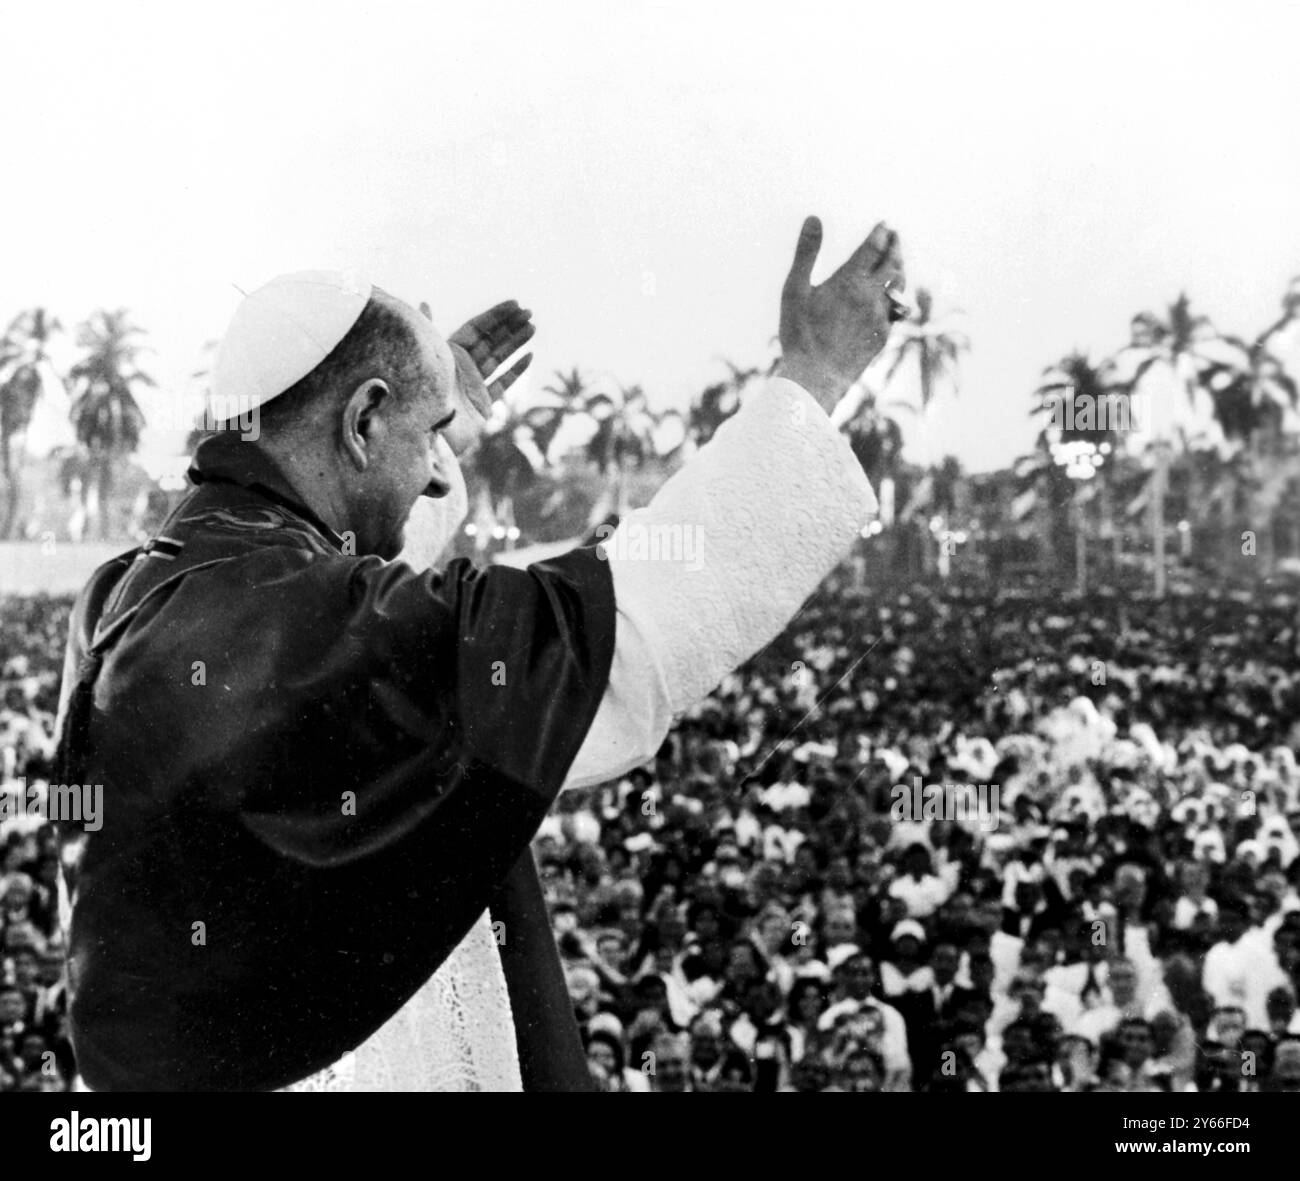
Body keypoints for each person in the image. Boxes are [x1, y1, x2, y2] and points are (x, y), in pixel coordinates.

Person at [53, 217, 905, 1090]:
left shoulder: (126, 596)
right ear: (362, 419)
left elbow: (345, 614)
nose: (434, 475)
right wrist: (815, 379)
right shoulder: (325, 628)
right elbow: (626, 633)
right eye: (425, 438)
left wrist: (429, 423)